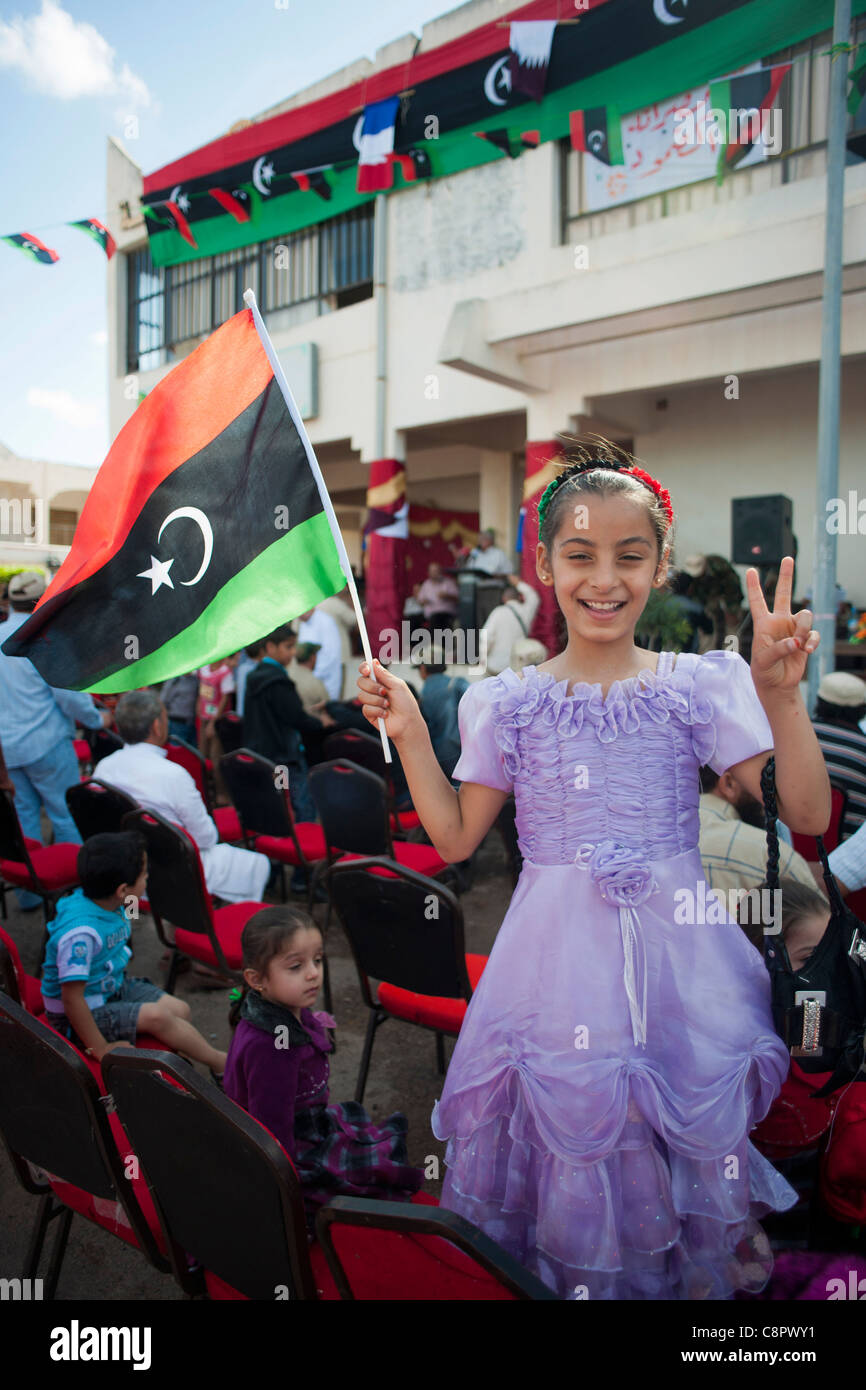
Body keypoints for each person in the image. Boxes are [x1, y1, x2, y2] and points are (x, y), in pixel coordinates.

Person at [357, 439, 831, 1300]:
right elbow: (458, 840)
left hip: (680, 975)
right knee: (571, 1142)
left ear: (658, 566)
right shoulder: (505, 701)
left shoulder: (699, 685)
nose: (603, 578)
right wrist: (415, 737)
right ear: (544, 564)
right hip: (552, 975)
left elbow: (805, 817)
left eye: (629, 555)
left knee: (666, 1147)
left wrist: (784, 696)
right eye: (579, 555)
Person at [224, 906, 424, 1228]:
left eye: (317, 960)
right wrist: (288, 1198)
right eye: (295, 966)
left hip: (306, 1123)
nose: (313, 973)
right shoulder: (276, 1044)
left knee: (366, 1144)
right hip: (291, 1147)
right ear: (256, 979)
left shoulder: (278, 1009)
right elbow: (271, 1132)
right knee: (373, 1174)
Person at [40, 831, 227, 1076]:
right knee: (158, 1016)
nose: (148, 879)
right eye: (144, 875)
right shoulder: (81, 936)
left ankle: (169, 1071)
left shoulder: (114, 901)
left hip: (109, 988)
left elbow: (129, 917)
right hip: (76, 1014)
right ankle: (220, 1064)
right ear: (122, 890)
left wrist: (136, 899)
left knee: (181, 1010)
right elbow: (71, 999)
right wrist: (101, 1048)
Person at [96, 690, 269, 904]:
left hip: (129, 869)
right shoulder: (173, 774)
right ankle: (219, 926)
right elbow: (206, 837)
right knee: (259, 864)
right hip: (173, 869)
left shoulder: (104, 768)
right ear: (157, 727)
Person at [0, 570, 110, 906]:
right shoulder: (44, 638)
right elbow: (68, 693)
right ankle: (77, 892)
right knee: (64, 815)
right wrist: (97, 718)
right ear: (41, 600)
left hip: (9, 748)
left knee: (25, 818)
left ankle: (29, 895)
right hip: (46, 744)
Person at [242, 625, 335, 833]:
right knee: (300, 807)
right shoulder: (278, 681)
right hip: (284, 759)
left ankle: (277, 855)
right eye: (288, 647)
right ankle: (304, 858)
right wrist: (321, 723)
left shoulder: (254, 677)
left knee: (275, 808)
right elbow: (296, 718)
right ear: (270, 647)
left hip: (262, 754)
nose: (293, 652)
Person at [698, 765, 818, 895]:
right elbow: (818, 913)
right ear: (729, 784)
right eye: (766, 775)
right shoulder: (768, 855)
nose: (773, 790)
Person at [811, 671, 866, 840]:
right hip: (844, 853)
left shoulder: (793, 734)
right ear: (861, 709)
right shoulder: (863, 748)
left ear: (820, 701)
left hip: (783, 847)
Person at [418, 651, 469, 780]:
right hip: (467, 751)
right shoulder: (458, 682)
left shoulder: (423, 695)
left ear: (423, 668)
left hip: (441, 756)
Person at [197, 653, 239, 804]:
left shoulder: (225, 673)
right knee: (201, 756)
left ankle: (222, 795)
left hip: (218, 723)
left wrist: (214, 723)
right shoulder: (203, 669)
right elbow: (201, 693)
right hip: (204, 718)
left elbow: (224, 699)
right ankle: (207, 792)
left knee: (216, 759)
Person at [481, 573, 540, 675]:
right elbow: (533, 597)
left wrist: (483, 657)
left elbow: (485, 637)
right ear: (519, 597)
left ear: (504, 598)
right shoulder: (525, 611)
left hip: (496, 667)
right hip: (518, 668)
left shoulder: (498, 612)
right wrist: (518, 583)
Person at [297, 605, 343, 701]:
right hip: (309, 680)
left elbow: (331, 656)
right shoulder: (303, 623)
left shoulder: (325, 621)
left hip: (326, 679)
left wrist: (312, 677)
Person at [289, 642, 330, 714]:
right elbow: (328, 707)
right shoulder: (315, 682)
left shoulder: (287, 676)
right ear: (312, 657)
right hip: (313, 723)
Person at [416, 562, 459, 631]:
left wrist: (447, 596)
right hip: (429, 614)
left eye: (437, 571)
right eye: (433, 571)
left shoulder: (448, 582)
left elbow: (458, 598)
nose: (435, 573)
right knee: (411, 620)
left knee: (435, 618)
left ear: (440, 571)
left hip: (445, 613)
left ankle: (435, 641)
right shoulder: (426, 584)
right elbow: (420, 601)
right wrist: (424, 601)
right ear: (428, 573)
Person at [160, 673, 198, 746]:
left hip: (192, 724)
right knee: (176, 750)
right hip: (176, 723)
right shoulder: (174, 680)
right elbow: (163, 701)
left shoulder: (195, 680)